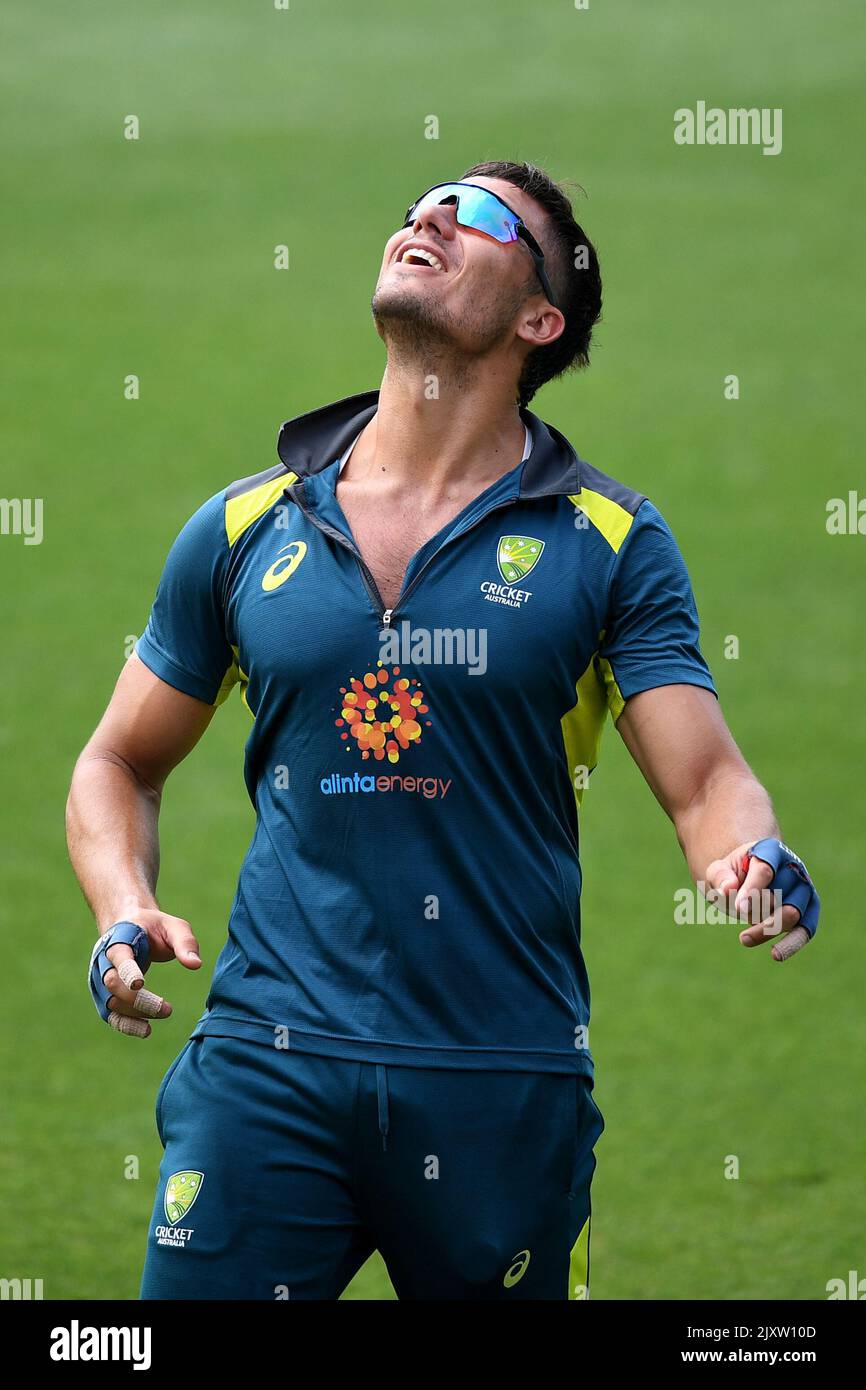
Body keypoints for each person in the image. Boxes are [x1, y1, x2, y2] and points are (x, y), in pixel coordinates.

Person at [67, 160, 819, 1300]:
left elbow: (704, 777)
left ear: (538, 315)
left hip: (499, 1080)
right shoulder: (241, 524)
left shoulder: (606, 541)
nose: (426, 216)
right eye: (421, 201)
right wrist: (122, 907)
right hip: (266, 1067)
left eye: (476, 216)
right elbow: (118, 759)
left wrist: (749, 850)